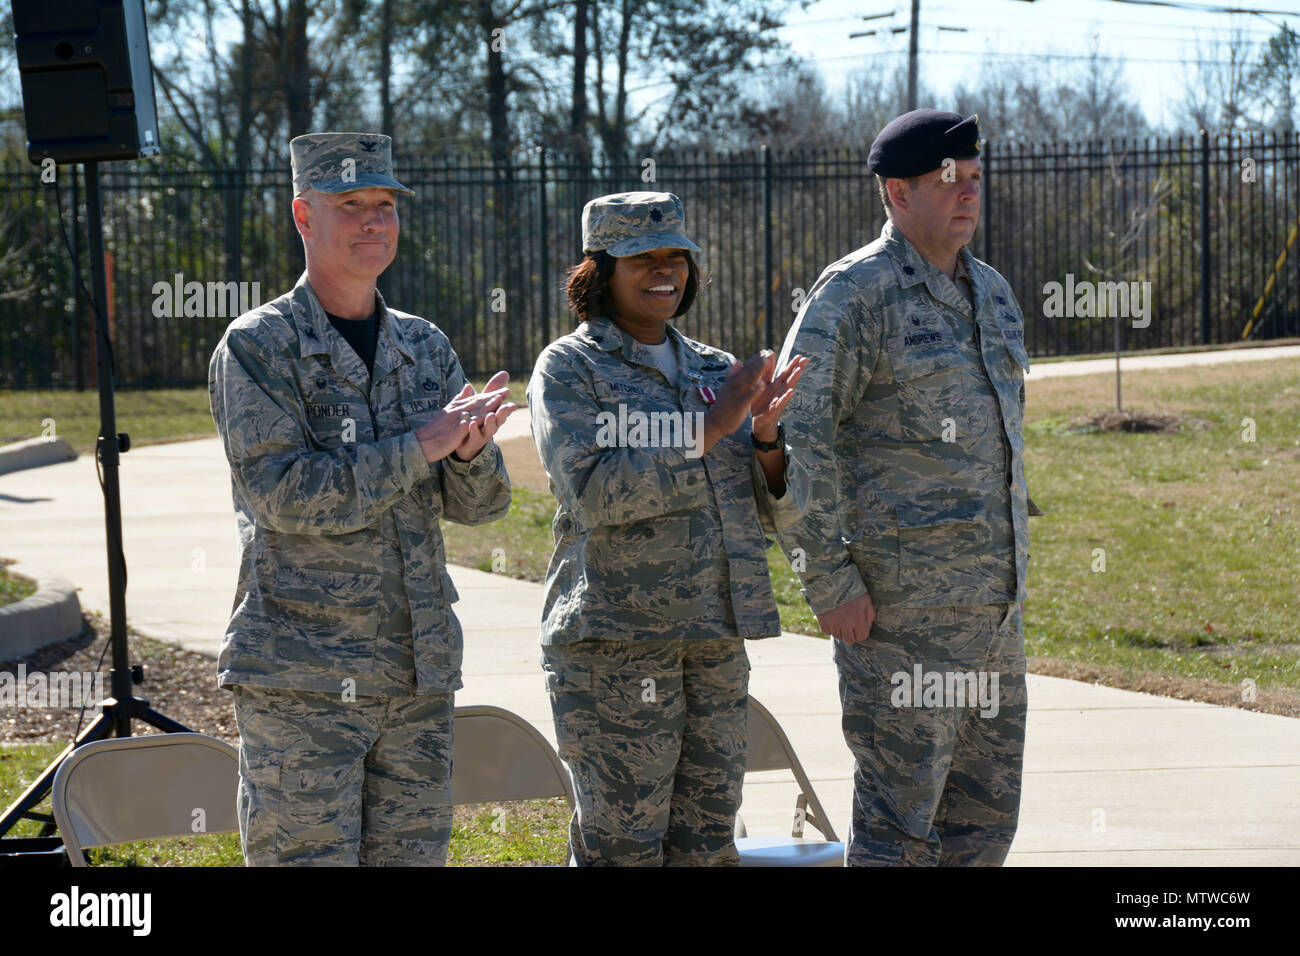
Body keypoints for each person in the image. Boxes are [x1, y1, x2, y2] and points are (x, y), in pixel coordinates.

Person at [208, 131, 516, 866]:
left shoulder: (425, 346)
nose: (375, 221)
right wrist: (421, 447)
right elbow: (283, 495)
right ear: (304, 216)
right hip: (303, 685)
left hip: (418, 677)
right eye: (352, 205)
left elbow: (480, 507)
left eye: (385, 204)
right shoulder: (261, 347)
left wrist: (470, 455)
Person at [775, 110, 1044, 866]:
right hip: (900, 624)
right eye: (947, 181)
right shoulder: (853, 296)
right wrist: (826, 580)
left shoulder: (991, 292)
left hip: (994, 617)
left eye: (976, 179)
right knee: (899, 836)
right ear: (896, 192)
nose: (968, 194)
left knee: (983, 829)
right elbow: (797, 440)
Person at [528, 191, 809, 866]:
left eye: (676, 258)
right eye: (642, 260)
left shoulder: (717, 370)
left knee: (709, 847)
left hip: (714, 642)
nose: (665, 272)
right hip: (616, 650)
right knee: (624, 847)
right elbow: (593, 491)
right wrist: (710, 429)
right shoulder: (571, 369)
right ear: (601, 273)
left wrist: (767, 440)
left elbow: (771, 506)